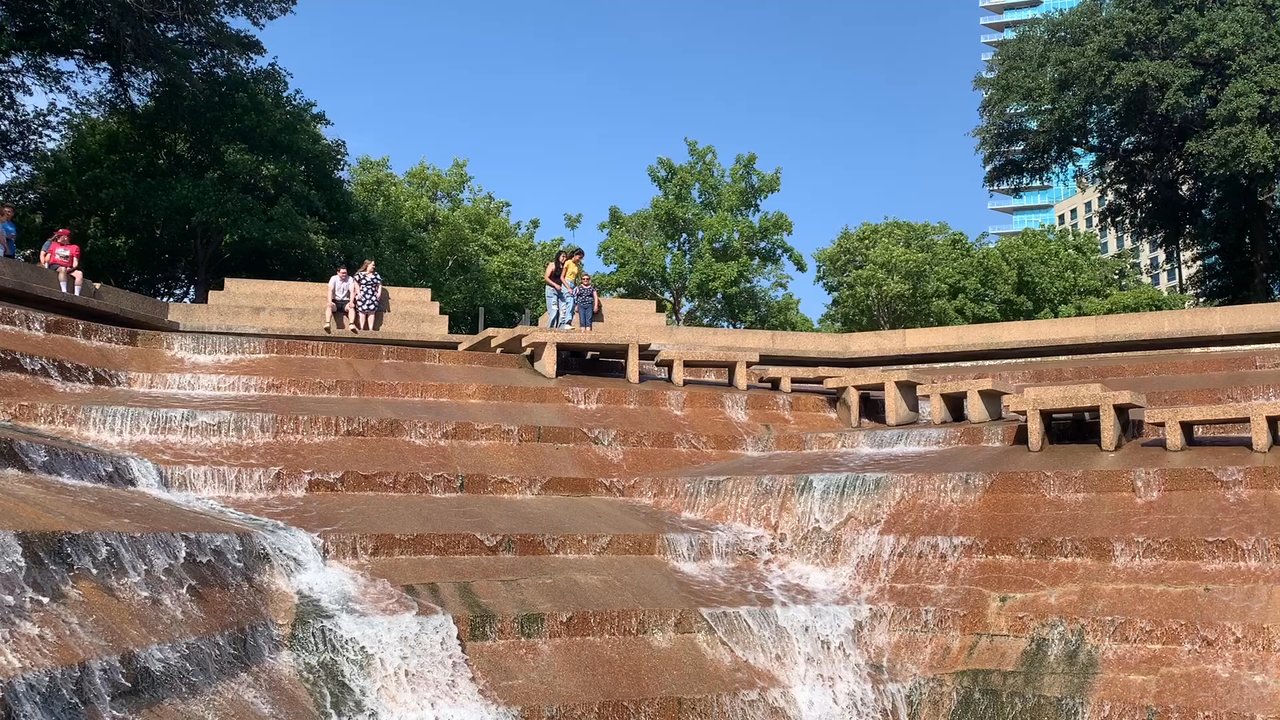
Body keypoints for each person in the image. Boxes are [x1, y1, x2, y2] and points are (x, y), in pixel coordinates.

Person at [46, 229, 83, 295]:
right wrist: (46, 265)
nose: (57, 237)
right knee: (63, 269)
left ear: (65, 237)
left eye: (59, 236)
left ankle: (77, 295)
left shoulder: (74, 247)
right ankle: (64, 291)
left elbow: (75, 262)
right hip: (55, 265)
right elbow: (48, 257)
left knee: (79, 274)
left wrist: (71, 268)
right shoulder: (54, 245)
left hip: (68, 267)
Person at [324, 265, 356, 333]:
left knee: (351, 308)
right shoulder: (333, 278)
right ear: (338, 273)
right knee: (329, 306)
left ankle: (351, 324)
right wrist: (330, 301)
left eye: (345, 273)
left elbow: (352, 291)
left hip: (345, 301)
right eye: (343, 273)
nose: (344, 274)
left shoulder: (350, 279)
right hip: (336, 301)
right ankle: (327, 323)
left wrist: (351, 302)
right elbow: (330, 290)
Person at [353, 259, 383, 332]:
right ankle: (362, 328)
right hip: (363, 294)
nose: (374, 266)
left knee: (371, 312)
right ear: (367, 265)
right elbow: (356, 283)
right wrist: (358, 293)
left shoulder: (376, 275)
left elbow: (379, 285)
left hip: (372, 295)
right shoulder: (359, 274)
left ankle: (371, 329)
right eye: (372, 265)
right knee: (362, 312)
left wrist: (379, 293)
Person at [543, 250, 568, 329]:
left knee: (563, 310)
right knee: (554, 310)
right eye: (563, 256)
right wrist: (555, 285)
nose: (564, 258)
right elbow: (546, 278)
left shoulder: (564, 267)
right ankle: (551, 329)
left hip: (561, 291)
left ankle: (561, 328)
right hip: (551, 289)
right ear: (558, 257)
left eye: (565, 257)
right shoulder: (552, 265)